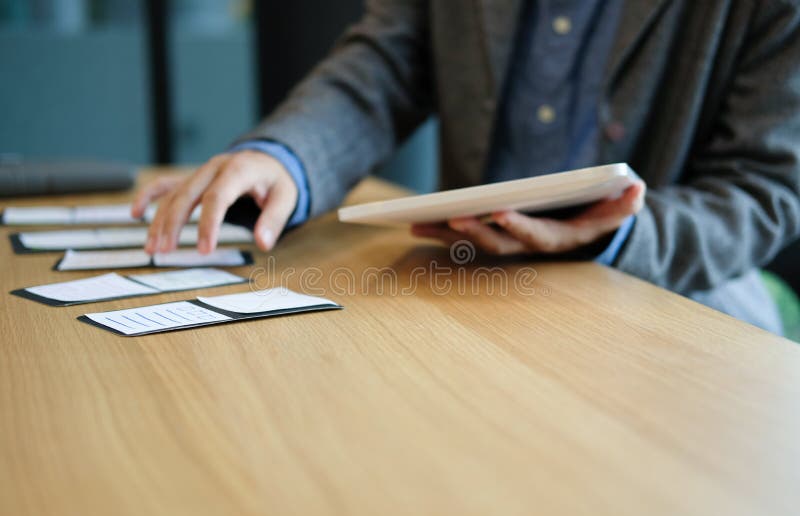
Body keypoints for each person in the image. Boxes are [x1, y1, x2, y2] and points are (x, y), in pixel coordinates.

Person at [132, 0, 800, 334]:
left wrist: (616, 233)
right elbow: (387, 62)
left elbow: (767, 186)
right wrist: (283, 154)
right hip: (469, 291)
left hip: (669, 311)